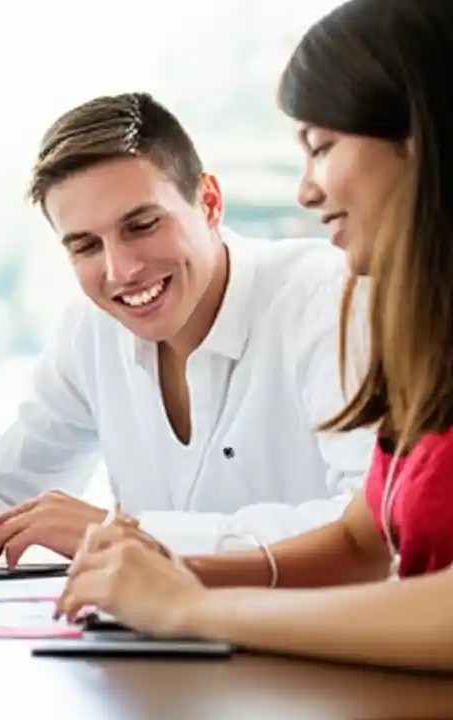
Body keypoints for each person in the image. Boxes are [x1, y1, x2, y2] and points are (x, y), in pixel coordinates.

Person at [56, 0, 453, 673]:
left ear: (420, 138)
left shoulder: (323, 300)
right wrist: (177, 574)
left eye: (322, 148)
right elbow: (363, 539)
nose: (305, 190)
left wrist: (193, 612)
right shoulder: (429, 340)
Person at [0, 92, 375, 568]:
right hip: (154, 638)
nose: (120, 270)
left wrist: (125, 536)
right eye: (85, 247)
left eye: (141, 226)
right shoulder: (91, 327)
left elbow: (375, 525)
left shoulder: (330, 301)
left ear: (208, 202)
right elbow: (9, 488)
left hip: (313, 637)